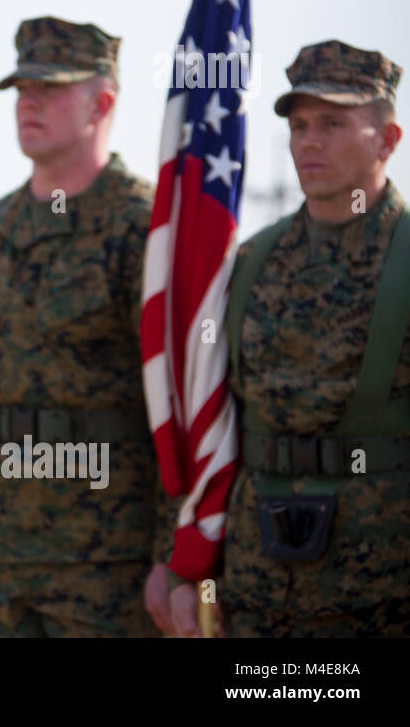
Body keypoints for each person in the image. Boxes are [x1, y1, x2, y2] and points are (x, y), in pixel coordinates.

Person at [155, 40, 408, 637]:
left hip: (380, 589)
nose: (308, 141)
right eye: (298, 125)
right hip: (259, 588)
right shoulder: (250, 261)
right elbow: (210, 424)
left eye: (333, 123)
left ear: (389, 140)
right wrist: (184, 568)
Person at [0, 16, 162, 637]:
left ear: (103, 102)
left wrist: (175, 557)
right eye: (21, 89)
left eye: (50, 88)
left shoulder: (146, 230)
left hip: (107, 559)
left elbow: (181, 407)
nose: (29, 102)